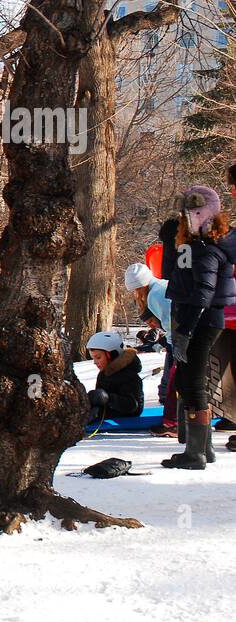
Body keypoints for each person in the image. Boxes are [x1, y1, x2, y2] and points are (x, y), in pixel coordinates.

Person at [161, 186, 236, 469]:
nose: (185, 219)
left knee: (192, 383)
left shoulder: (206, 248)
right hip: (200, 319)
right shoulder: (195, 246)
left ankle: (196, 454)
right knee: (188, 380)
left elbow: (204, 291)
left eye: (189, 214)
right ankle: (203, 449)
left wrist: (185, 330)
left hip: (201, 321)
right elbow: (173, 275)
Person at [126, 261, 177, 435]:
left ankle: (174, 422)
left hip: (181, 340)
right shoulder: (162, 284)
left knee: (175, 381)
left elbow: (172, 324)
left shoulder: (155, 295)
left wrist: (171, 346)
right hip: (186, 337)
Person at [84, 331, 144, 426]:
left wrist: (108, 398)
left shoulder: (129, 375)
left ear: (111, 355)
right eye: (93, 358)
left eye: (98, 357)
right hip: (108, 411)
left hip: (127, 415)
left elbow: (132, 406)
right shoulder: (103, 374)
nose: (95, 362)